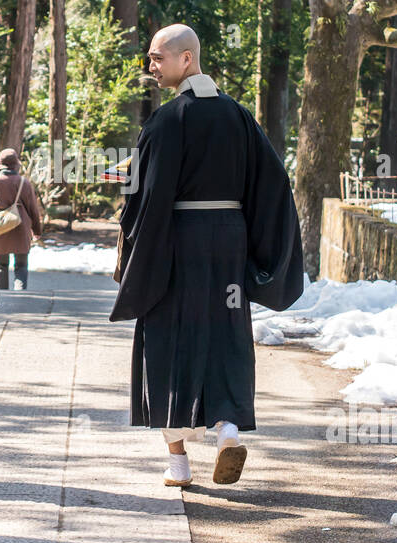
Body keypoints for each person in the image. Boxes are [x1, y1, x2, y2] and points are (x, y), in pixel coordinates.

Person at [111, 24, 305, 487]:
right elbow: (273, 184)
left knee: (166, 336)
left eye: (158, 58)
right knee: (226, 334)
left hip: (176, 240)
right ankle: (228, 431)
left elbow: (147, 192)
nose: (151, 67)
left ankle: (177, 463)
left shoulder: (167, 120)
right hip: (229, 241)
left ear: (186, 59)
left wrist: (130, 211)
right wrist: (256, 244)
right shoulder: (239, 118)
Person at [0, 148, 43, 291]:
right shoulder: (24, 182)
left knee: (1, 265)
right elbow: (33, 209)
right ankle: (20, 292)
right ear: (16, 164)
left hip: (1, 225)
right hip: (21, 227)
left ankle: (2, 293)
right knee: (21, 264)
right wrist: (37, 230)